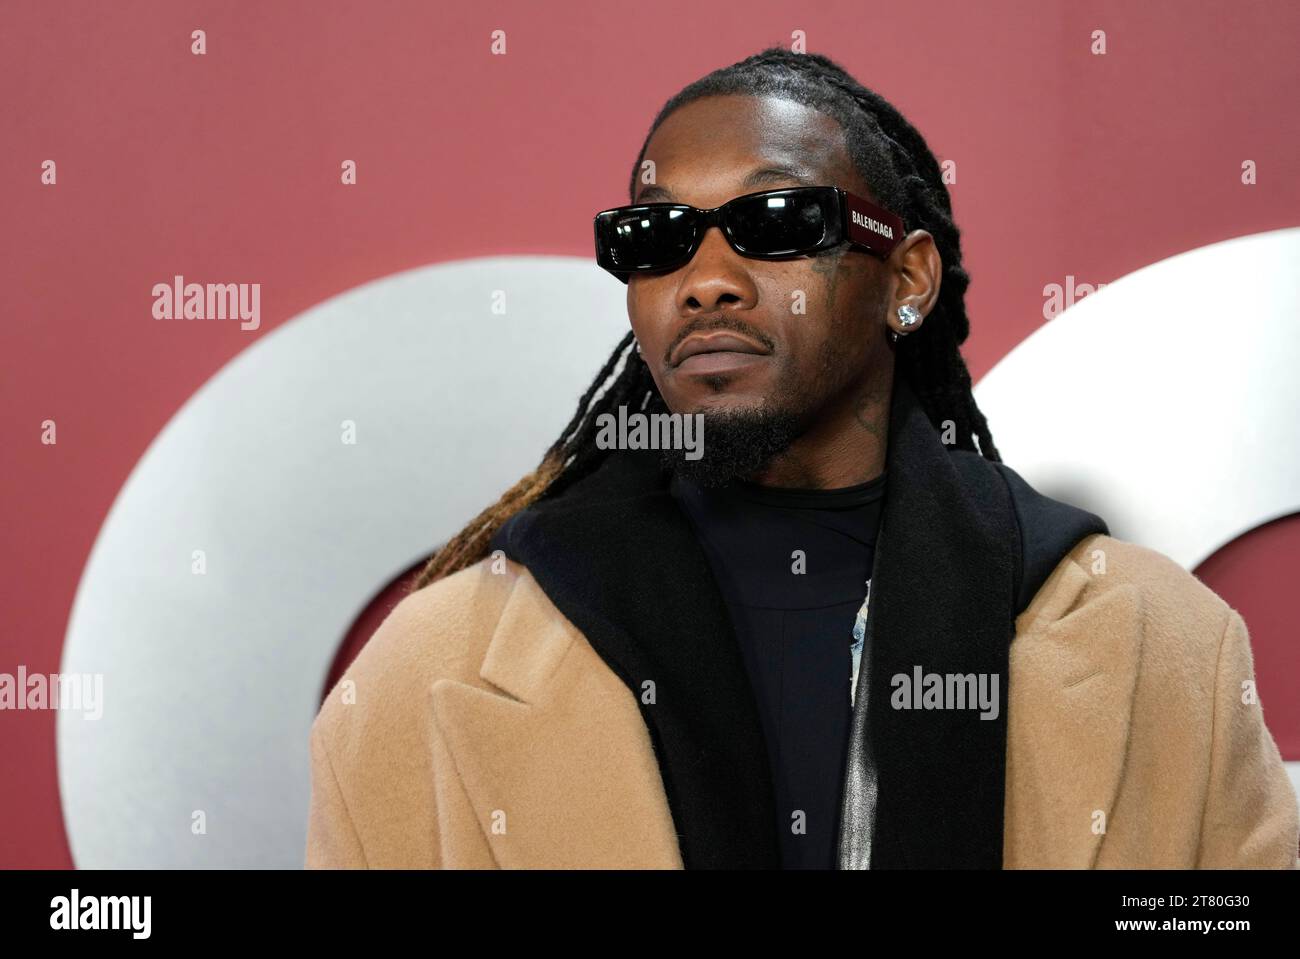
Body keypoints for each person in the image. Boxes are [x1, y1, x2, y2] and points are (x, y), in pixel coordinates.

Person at [304, 47, 1298, 869]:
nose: (703, 283)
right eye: (656, 240)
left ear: (906, 279)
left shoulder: (1167, 648)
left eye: (774, 223)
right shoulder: (422, 675)